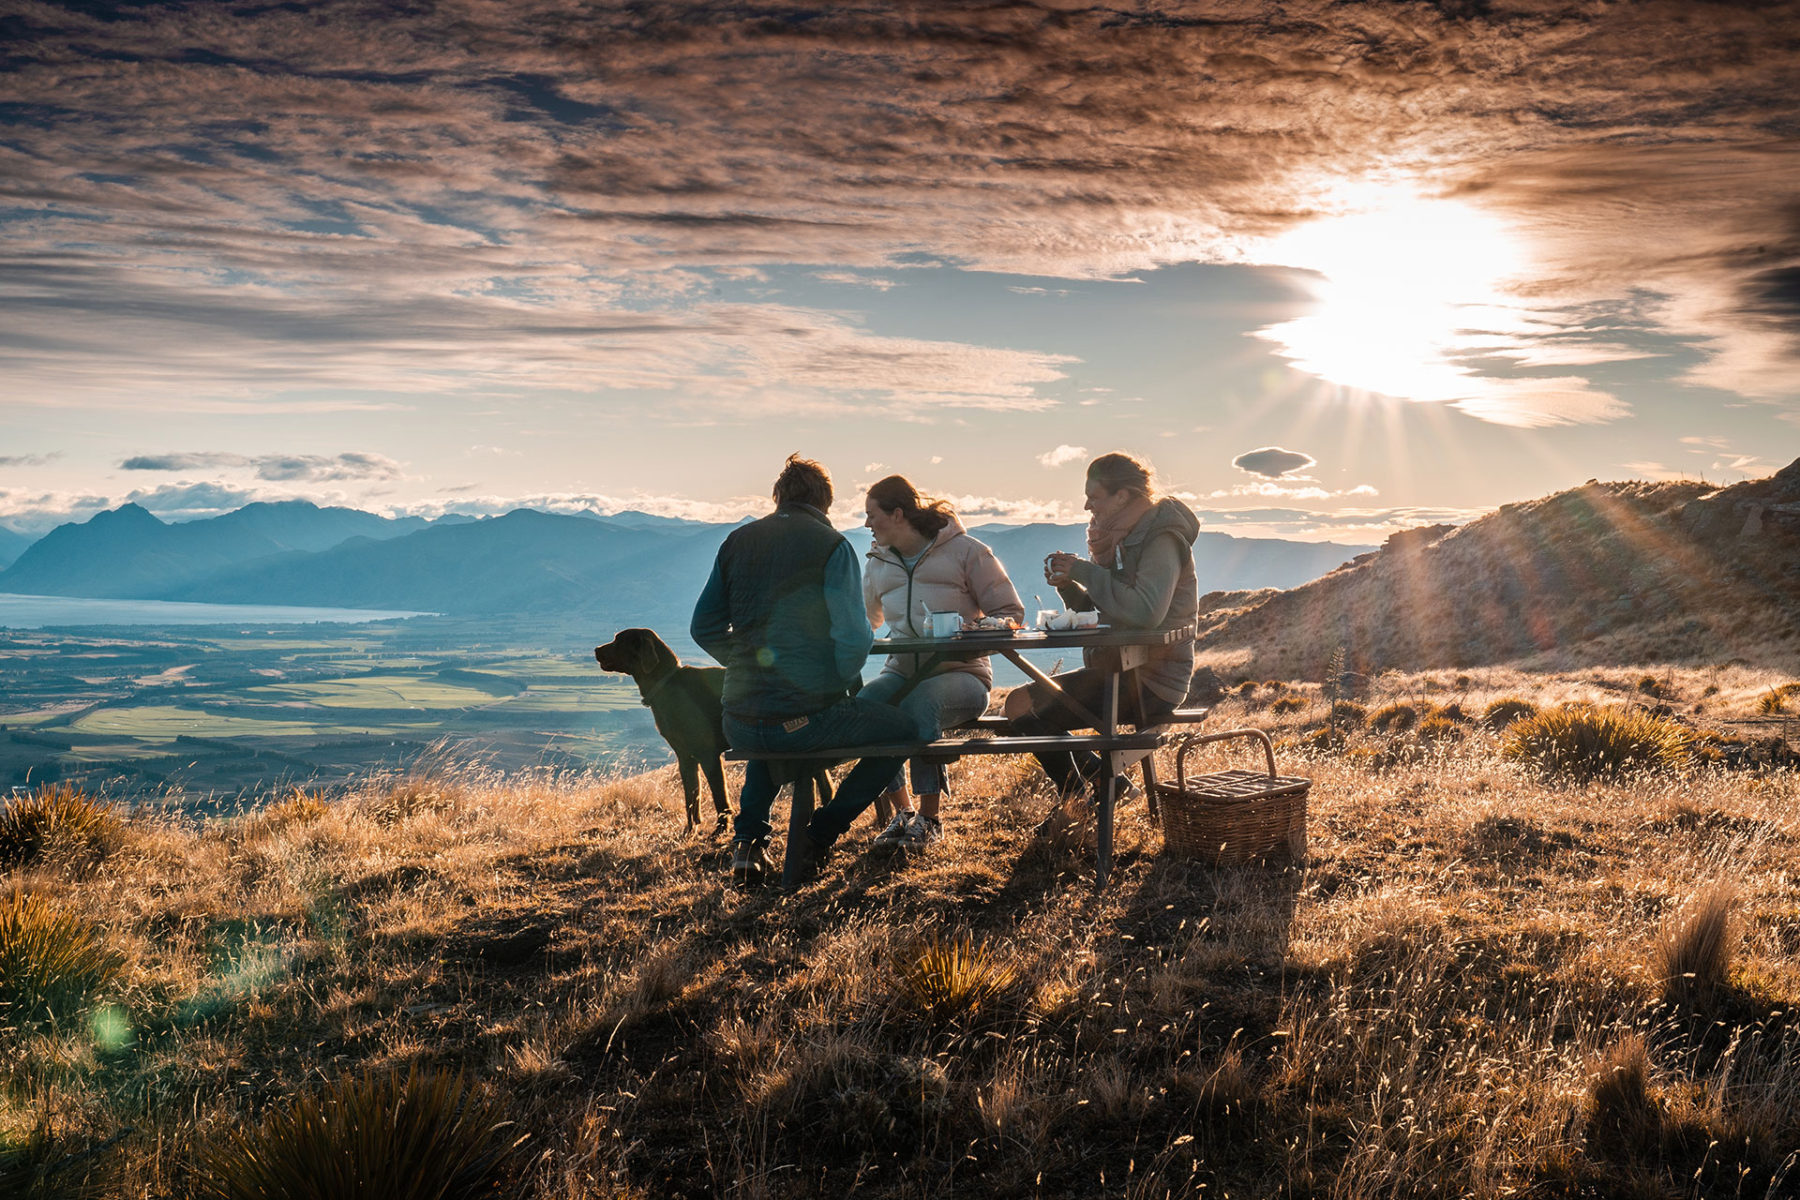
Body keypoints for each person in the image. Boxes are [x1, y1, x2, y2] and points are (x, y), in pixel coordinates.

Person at [690, 454, 916, 885]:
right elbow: (854, 639)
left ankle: (748, 844)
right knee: (904, 731)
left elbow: (703, 627)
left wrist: (743, 664)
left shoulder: (737, 541)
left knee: (769, 723)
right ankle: (821, 834)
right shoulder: (832, 545)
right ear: (825, 501)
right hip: (804, 719)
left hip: (738, 720)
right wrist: (833, 682)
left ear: (778, 497)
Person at [1001, 452, 1199, 821]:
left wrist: (1083, 570)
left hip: (1152, 682)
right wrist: (1069, 585)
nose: (1087, 505)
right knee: (1018, 705)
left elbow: (1144, 611)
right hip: (1117, 672)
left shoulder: (1162, 540)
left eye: (1094, 496)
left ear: (1122, 496)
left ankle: (1076, 803)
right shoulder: (1121, 540)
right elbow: (1104, 612)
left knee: (1022, 706)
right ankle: (1093, 790)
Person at [859, 475, 1024, 853]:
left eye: (872, 514)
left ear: (897, 514)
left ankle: (930, 820)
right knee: (866, 709)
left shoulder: (967, 551)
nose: (866, 523)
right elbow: (869, 620)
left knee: (921, 704)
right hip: (900, 671)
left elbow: (1010, 613)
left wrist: (975, 630)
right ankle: (904, 813)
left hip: (963, 674)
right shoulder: (879, 560)